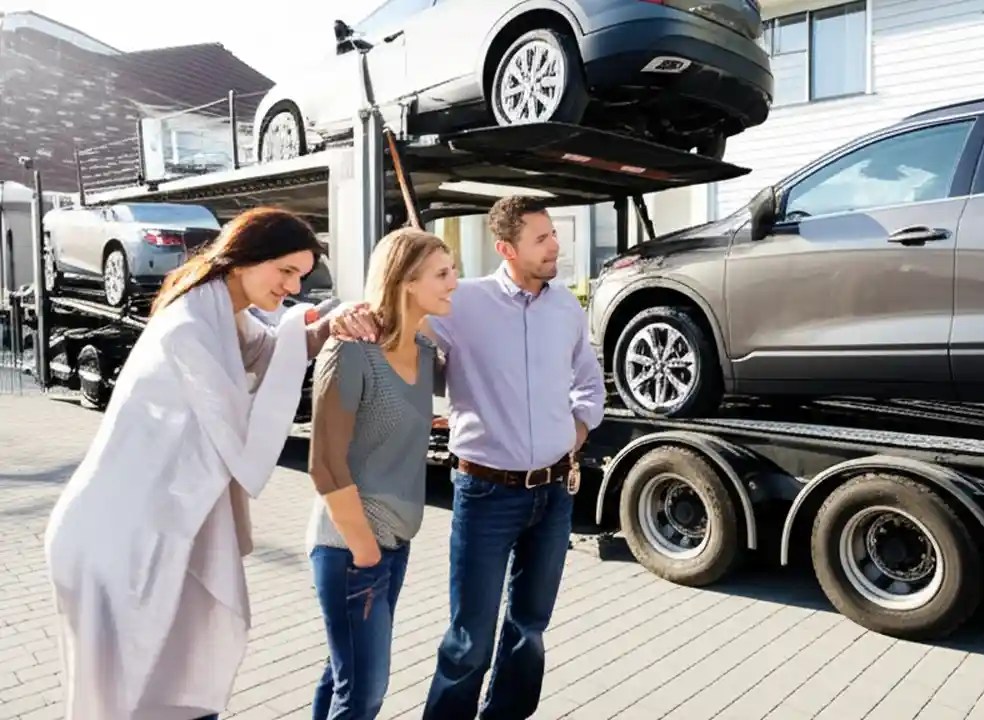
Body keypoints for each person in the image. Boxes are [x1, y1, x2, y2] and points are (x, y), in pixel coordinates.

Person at [42, 207, 377, 720]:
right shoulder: (189, 327)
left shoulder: (224, 315)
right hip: (117, 541)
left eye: (301, 277)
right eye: (284, 271)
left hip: (153, 530)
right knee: (119, 700)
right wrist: (315, 328)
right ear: (244, 256)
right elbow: (240, 436)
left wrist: (329, 323)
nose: (291, 288)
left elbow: (272, 349)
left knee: (171, 686)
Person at [422, 196, 605, 719]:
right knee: (469, 640)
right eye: (542, 238)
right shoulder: (462, 302)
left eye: (553, 234)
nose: (556, 246)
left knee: (529, 629)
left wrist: (571, 437)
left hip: (552, 497)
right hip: (485, 494)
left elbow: (589, 387)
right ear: (506, 248)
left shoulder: (566, 306)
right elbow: (401, 328)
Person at [306, 228, 457, 720]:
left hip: (393, 544)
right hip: (351, 548)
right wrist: (365, 550)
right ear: (406, 281)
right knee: (365, 694)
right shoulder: (350, 350)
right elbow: (324, 463)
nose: (454, 281)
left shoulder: (425, 350)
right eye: (443, 273)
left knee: (343, 674)